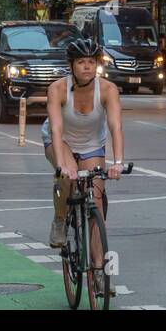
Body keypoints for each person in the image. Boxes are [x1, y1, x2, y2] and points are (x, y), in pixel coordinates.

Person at [44, 37, 126, 266]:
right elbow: (56, 129)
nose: (87, 66)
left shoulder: (108, 89)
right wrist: (62, 167)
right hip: (62, 142)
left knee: (96, 201)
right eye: (81, 62)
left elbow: (115, 127)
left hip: (91, 144)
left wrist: (118, 162)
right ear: (71, 65)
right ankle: (60, 220)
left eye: (91, 61)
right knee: (67, 177)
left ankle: (98, 267)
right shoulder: (58, 89)